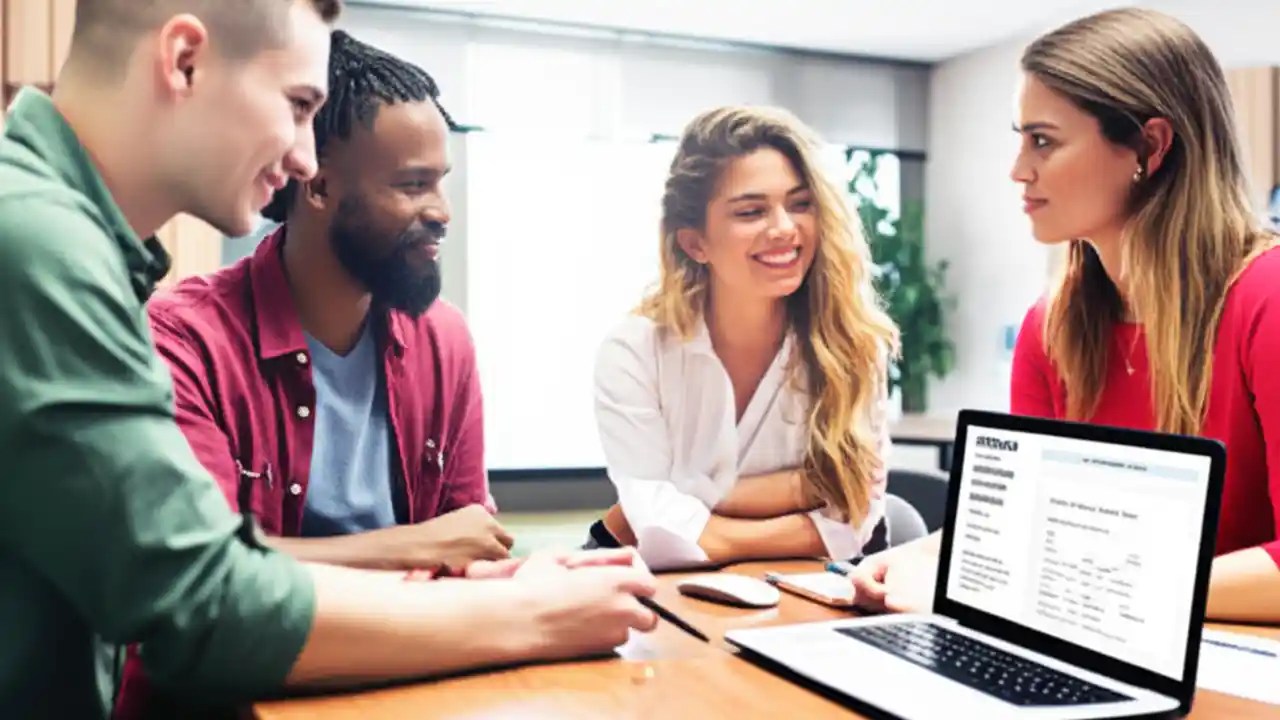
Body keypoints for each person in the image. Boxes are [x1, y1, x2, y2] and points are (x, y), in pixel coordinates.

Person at [0, 1, 655, 717]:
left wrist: (509, 586)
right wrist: (534, 614)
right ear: (184, 61)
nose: (304, 161)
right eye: (298, 104)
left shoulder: (60, 237)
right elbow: (198, 599)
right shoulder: (37, 243)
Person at [849, 7, 1280, 623]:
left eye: (1043, 141)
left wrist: (1084, 594)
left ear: (1149, 146)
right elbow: (1028, 527)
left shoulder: (1268, 295)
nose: (1018, 169)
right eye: (1021, 139)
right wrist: (929, 556)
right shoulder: (1051, 327)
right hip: (1098, 648)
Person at [148, 30, 509, 574]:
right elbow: (199, 569)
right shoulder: (186, 342)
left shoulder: (444, 339)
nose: (441, 212)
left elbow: (471, 545)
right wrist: (415, 546)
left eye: (441, 183)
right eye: (413, 185)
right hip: (269, 657)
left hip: (426, 649)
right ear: (317, 186)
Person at [586, 106, 899, 567]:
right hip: (658, 589)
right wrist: (801, 489)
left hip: (802, 591)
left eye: (800, 204)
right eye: (751, 211)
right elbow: (655, 530)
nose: (785, 228)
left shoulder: (852, 343)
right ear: (696, 243)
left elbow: (854, 521)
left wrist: (690, 496)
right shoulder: (634, 352)